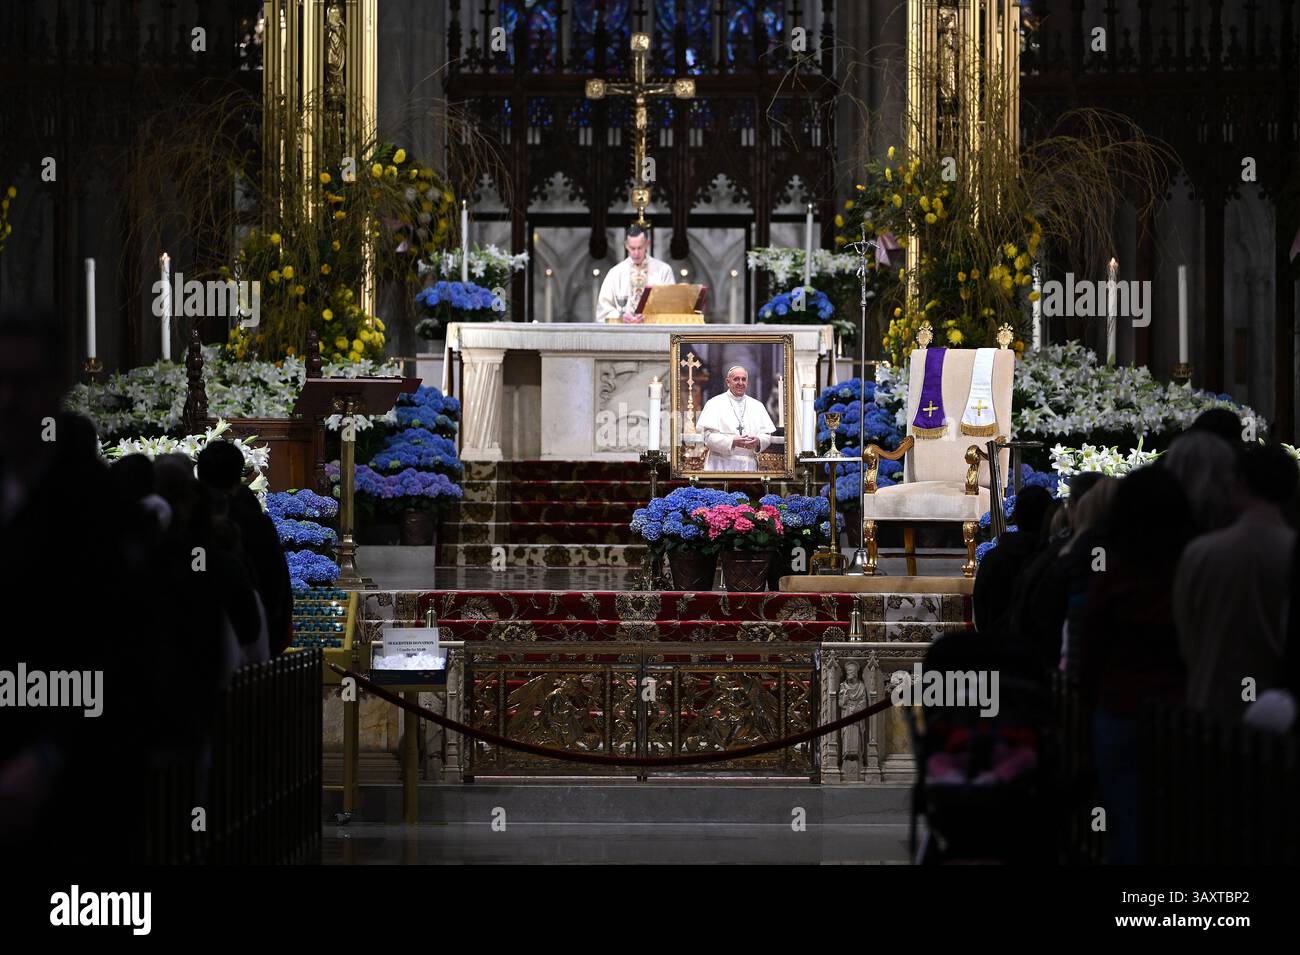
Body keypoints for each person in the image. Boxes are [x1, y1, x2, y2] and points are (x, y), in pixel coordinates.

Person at [1079, 467, 1193, 864]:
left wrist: (1089, 698)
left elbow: (1091, 648)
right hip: (1182, 708)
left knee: (1126, 822)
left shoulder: (1114, 577)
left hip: (1120, 706)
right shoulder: (1189, 571)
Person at [1174, 442, 1298, 720]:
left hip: (1210, 703)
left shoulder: (1200, 553)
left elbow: (1186, 635)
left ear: (1240, 483)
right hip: (1279, 712)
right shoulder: (1289, 549)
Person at [197, 439, 293, 655]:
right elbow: (275, 575)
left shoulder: (197, 525)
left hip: (216, 630)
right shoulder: (256, 521)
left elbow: (197, 570)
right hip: (256, 627)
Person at [972, 485, 1053, 638]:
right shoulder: (1055, 559)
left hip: (999, 643)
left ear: (1014, 516)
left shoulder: (993, 559)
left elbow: (981, 612)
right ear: (1050, 518)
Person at [695, 365, 777, 471]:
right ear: (728, 382)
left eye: (744, 379)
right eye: (736, 379)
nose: (740, 383)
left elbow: (767, 435)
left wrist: (758, 441)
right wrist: (732, 441)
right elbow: (707, 437)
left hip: (749, 466)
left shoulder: (757, 406)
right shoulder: (714, 403)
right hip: (720, 465)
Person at [595, 223, 676, 322]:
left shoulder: (663, 270)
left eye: (640, 248)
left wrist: (651, 316)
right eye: (632, 248)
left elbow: (672, 307)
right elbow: (603, 308)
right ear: (626, 245)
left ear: (647, 244)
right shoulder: (615, 273)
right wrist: (620, 317)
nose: (636, 253)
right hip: (624, 330)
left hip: (653, 329)